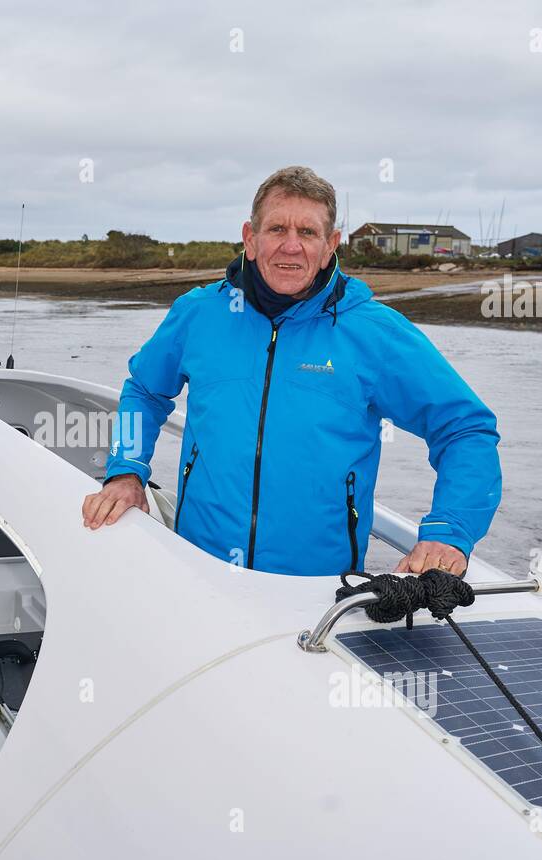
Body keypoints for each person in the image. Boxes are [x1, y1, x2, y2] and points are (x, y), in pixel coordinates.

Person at [81, 166, 500, 577]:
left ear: (330, 245)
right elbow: (144, 391)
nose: (291, 246)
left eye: (308, 233)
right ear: (250, 238)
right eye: (277, 229)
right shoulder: (199, 313)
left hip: (314, 590)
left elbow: (464, 428)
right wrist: (126, 470)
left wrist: (449, 530)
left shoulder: (374, 333)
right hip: (200, 568)